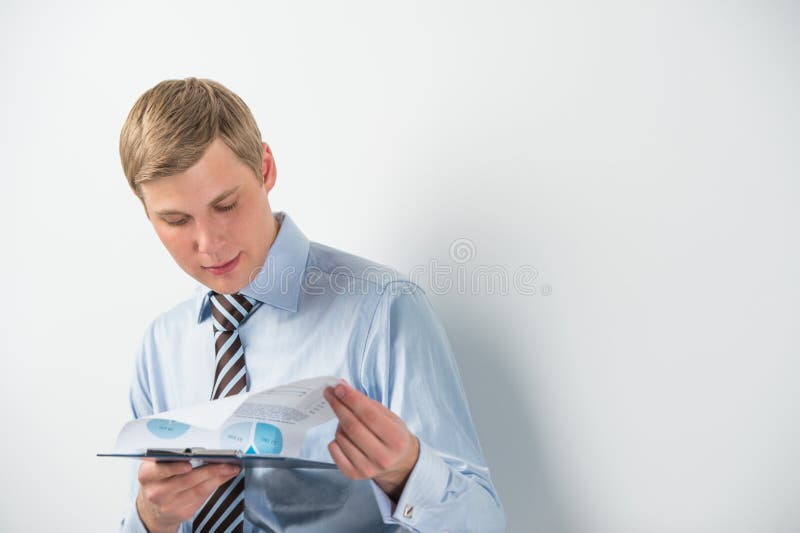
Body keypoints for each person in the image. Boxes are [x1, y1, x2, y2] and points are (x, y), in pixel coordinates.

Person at [117, 77, 505, 533]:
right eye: (176, 220)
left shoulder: (382, 312)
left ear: (265, 169)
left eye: (226, 205)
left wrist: (407, 474)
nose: (209, 243)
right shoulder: (161, 346)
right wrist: (151, 519)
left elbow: (485, 523)